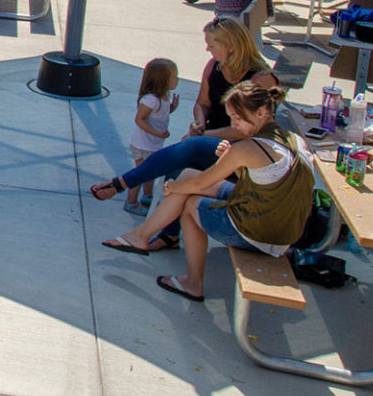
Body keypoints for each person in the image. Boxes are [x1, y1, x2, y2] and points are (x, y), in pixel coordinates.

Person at [102, 81, 314, 303]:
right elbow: (268, 182)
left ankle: (193, 284)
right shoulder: (293, 140)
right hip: (281, 226)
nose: (234, 125)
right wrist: (233, 161)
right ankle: (140, 236)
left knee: (190, 204)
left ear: (261, 112)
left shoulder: (249, 147)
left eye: (238, 118)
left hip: (262, 235)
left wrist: (170, 187)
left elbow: (199, 185)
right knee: (188, 174)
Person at [88, 17, 278, 247]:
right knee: (178, 168)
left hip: (242, 150)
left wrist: (203, 136)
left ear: (230, 45)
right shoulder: (214, 66)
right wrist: (199, 122)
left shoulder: (261, 78)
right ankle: (168, 235)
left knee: (191, 148)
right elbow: (202, 103)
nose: (207, 48)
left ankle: (123, 183)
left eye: (211, 44)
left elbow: (247, 130)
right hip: (211, 140)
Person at [123, 59, 180, 215]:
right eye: (174, 76)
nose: (177, 79)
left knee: (151, 171)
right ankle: (131, 202)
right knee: (140, 174)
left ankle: (147, 196)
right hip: (143, 145)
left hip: (153, 144)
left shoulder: (164, 97)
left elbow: (159, 117)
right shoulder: (151, 100)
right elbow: (139, 119)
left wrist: (171, 108)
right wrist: (157, 133)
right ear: (161, 80)